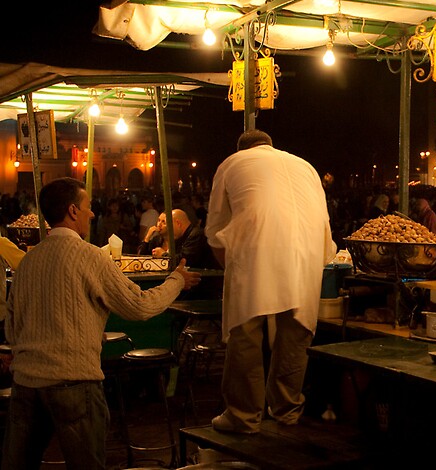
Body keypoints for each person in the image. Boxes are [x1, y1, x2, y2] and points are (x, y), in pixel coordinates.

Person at [1, 177, 200, 469]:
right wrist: (176, 281)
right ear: (72, 211)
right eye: (86, 207)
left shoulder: (28, 261)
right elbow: (140, 305)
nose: (92, 213)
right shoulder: (90, 256)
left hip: (26, 385)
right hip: (74, 384)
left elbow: (12, 326)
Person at [205, 129, 336, 433]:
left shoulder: (232, 162)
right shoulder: (305, 165)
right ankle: (287, 410)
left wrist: (232, 270)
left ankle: (243, 415)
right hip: (307, 251)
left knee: (247, 330)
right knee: (296, 330)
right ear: (270, 145)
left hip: (257, 247)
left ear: (242, 148)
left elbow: (214, 231)